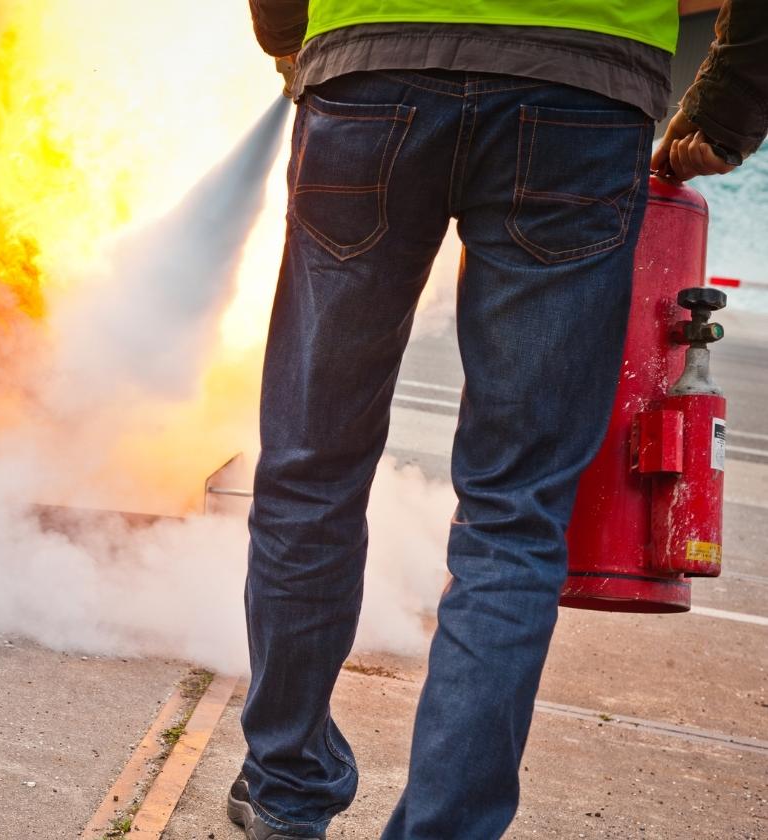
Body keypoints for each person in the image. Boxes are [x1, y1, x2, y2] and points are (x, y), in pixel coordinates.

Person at [234, 2, 768, 839]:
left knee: (312, 464)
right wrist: (728, 110)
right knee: (513, 513)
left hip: (372, 72)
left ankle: (286, 788)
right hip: (582, 94)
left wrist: (293, 40)